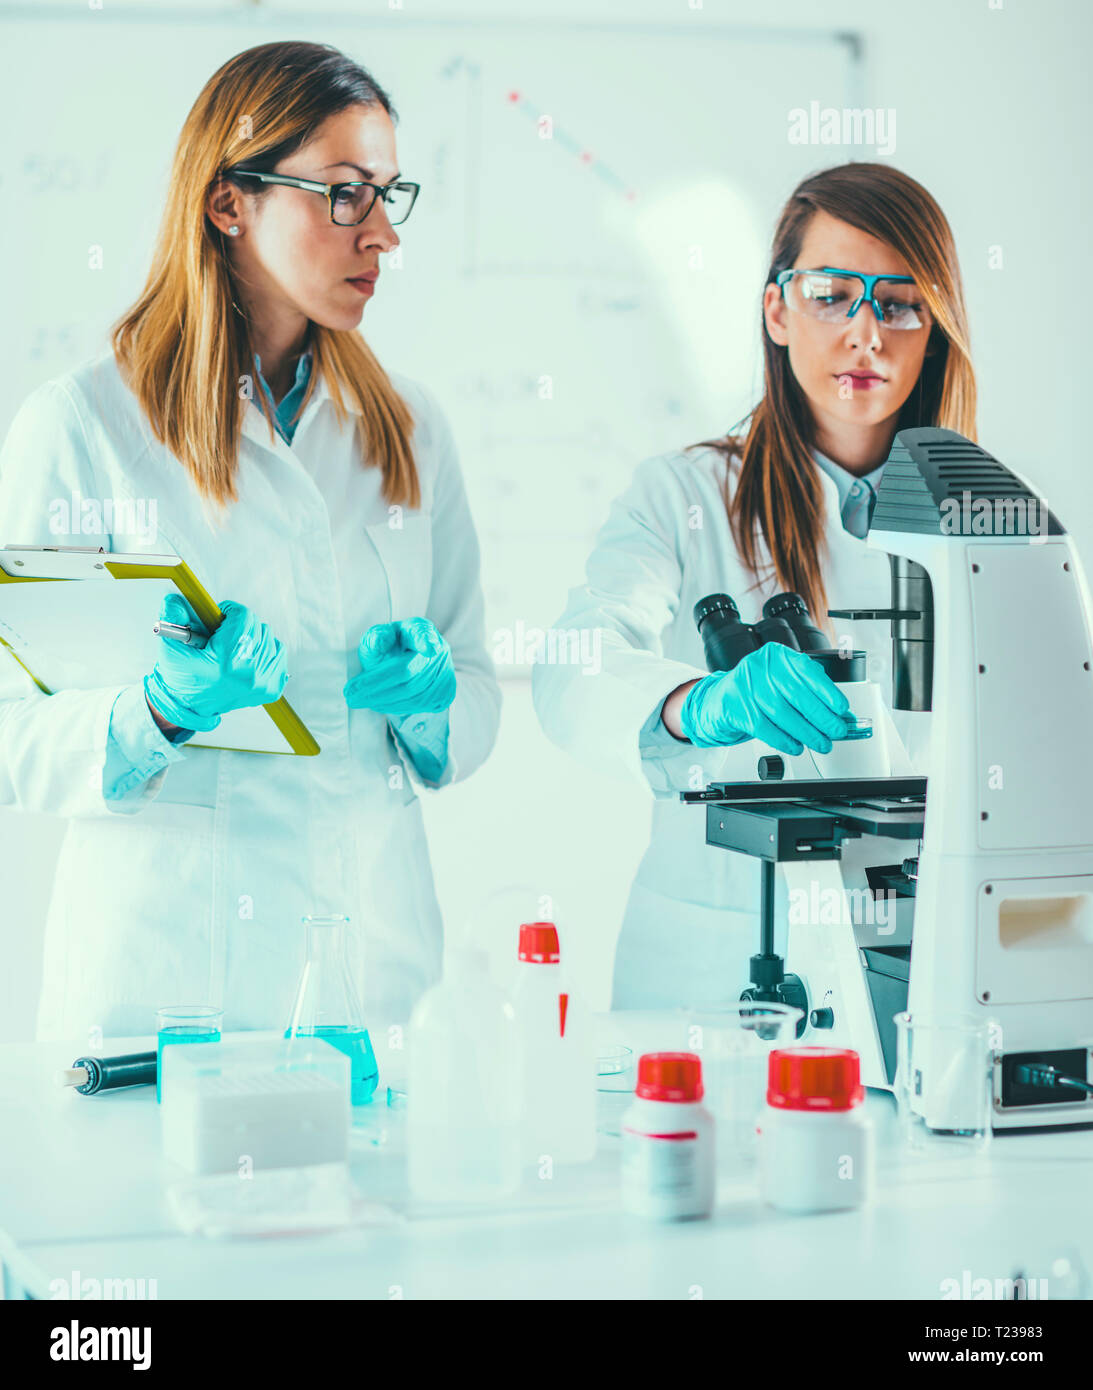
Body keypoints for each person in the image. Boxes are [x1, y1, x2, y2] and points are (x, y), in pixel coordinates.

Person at [0, 41, 500, 1039]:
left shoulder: (410, 427)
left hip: (373, 974)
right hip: (168, 984)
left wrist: (434, 702)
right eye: (345, 195)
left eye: (390, 196)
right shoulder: (84, 425)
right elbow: (11, 728)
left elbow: (478, 692)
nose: (383, 237)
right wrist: (157, 710)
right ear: (230, 203)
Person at [533, 163, 976, 1009]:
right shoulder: (684, 496)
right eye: (830, 294)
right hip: (709, 971)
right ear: (775, 309)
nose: (865, 334)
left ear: (934, 326)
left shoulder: (993, 526)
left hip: (923, 968)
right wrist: (693, 705)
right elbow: (572, 666)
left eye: (897, 302)